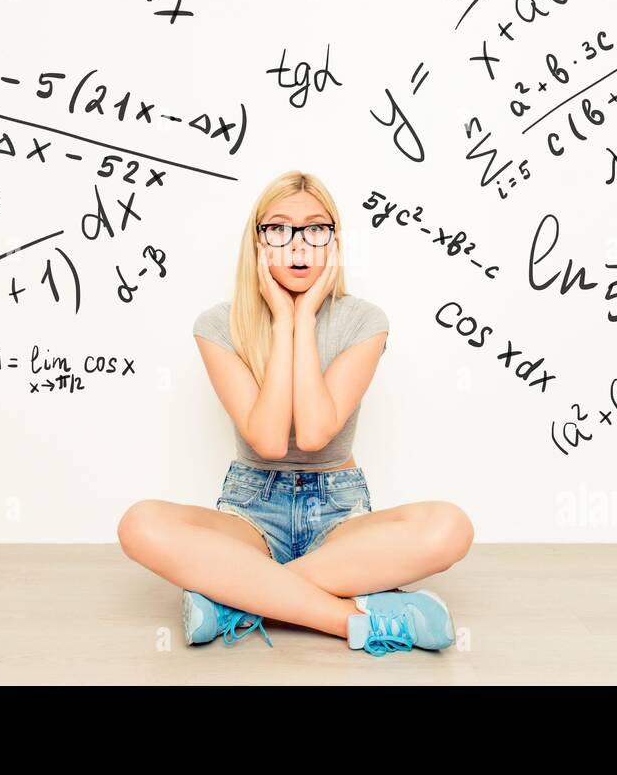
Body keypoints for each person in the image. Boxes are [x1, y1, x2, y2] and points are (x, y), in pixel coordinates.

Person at [117, 171, 473, 656]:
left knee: (450, 527)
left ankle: (236, 599)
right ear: (258, 241)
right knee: (140, 524)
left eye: (315, 229)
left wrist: (303, 316)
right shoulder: (218, 325)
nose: (298, 245)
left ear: (333, 241)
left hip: (339, 513)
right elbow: (266, 441)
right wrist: (282, 318)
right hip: (250, 511)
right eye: (280, 229)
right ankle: (352, 618)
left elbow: (314, 433)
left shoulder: (364, 321)